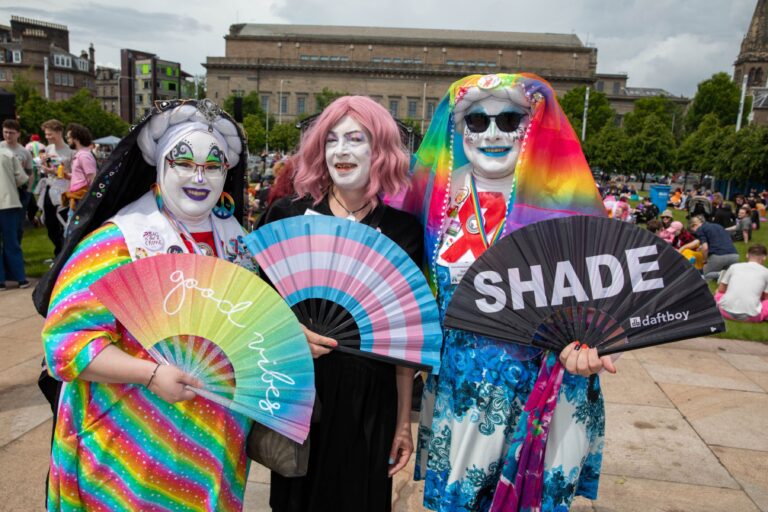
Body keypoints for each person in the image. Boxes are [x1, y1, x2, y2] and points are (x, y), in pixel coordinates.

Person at [397, 73, 615, 511]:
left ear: (530, 124)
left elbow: (598, 292)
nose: (493, 132)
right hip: (462, 388)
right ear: (460, 129)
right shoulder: (437, 197)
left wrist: (592, 343)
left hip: (544, 384)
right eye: (477, 121)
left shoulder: (560, 197)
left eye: (509, 118)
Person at [34, 99, 257, 511]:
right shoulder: (117, 242)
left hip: (214, 454)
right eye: (184, 162)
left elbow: (255, 327)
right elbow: (65, 347)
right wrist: (150, 373)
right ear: (160, 167)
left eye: (213, 166)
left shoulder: (238, 244)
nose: (199, 176)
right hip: (128, 454)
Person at [261, 95, 419, 512]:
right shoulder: (287, 216)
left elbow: (407, 338)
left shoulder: (403, 231)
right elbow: (254, 307)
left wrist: (404, 421)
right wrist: (288, 330)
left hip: (371, 400)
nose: (341, 150)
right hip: (300, 392)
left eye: (355, 139)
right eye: (331, 140)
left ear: (380, 151)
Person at [38, 119, 73, 256]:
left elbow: (72, 174)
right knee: (50, 222)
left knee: (63, 221)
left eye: (50, 134)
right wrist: (44, 167)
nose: (47, 137)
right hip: (50, 187)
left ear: (59, 132)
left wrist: (56, 172)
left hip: (64, 189)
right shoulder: (48, 149)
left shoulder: (70, 152)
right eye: (46, 134)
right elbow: (47, 167)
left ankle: (63, 253)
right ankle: (58, 249)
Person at [0, 145, 30, 289]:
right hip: (9, 201)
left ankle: (1, 280)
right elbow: (22, 178)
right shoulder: (7, 154)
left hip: (8, 201)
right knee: (12, 242)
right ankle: (20, 277)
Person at [715, 244, 768, 322]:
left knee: (718, 293)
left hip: (724, 311)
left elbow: (721, 290)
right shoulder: (766, 272)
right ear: (764, 257)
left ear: (747, 255)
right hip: (751, 316)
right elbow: (766, 298)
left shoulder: (734, 267)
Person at [1, 119, 34, 241]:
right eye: (5, 132)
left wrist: (28, 192)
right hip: (3, 190)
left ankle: (16, 252)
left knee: (18, 225)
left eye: (11, 133)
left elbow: (30, 173)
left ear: (18, 134)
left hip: (20, 191)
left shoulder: (24, 152)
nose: (8, 135)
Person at [686, 215, 739, 281]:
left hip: (719, 256)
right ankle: (728, 274)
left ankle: (721, 274)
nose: (695, 232)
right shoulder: (718, 226)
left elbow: (705, 248)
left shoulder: (700, 229)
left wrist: (705, 260)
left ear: (695, 225)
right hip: (734, 255)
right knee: (727, 274)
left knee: (706, 275)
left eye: (693, 231)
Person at [63, 123, 98, 214]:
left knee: (73, 227)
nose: (67, 140)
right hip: (77, 198)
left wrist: (89, 200)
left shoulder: (84, 156)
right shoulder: (80, 155)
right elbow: (81, 176)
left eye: (68, 138)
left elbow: (93, 178)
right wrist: (68, 176)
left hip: (81, 199)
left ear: (76, 139)